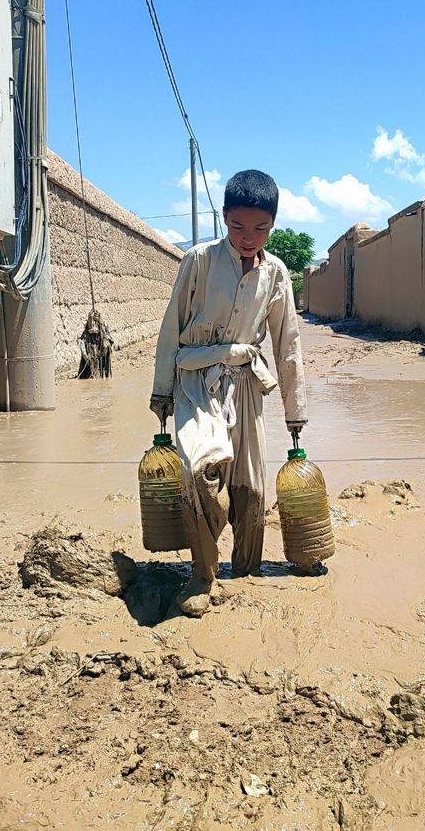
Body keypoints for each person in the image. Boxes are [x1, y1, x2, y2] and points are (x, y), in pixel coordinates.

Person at [150, 169, 307, 617]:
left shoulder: (276, 273)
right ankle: (203, 574)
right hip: (197, 383)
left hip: (246, 386)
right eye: (238, 226)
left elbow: (287, 343)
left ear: (272, 225)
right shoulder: (198, 260)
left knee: (252, 490)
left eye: (260, 228)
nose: (248, 237)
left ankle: (247, 570)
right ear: (224, 218)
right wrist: (162, 393)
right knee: (201, 473)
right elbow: (170, 330)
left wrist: (295, 412)